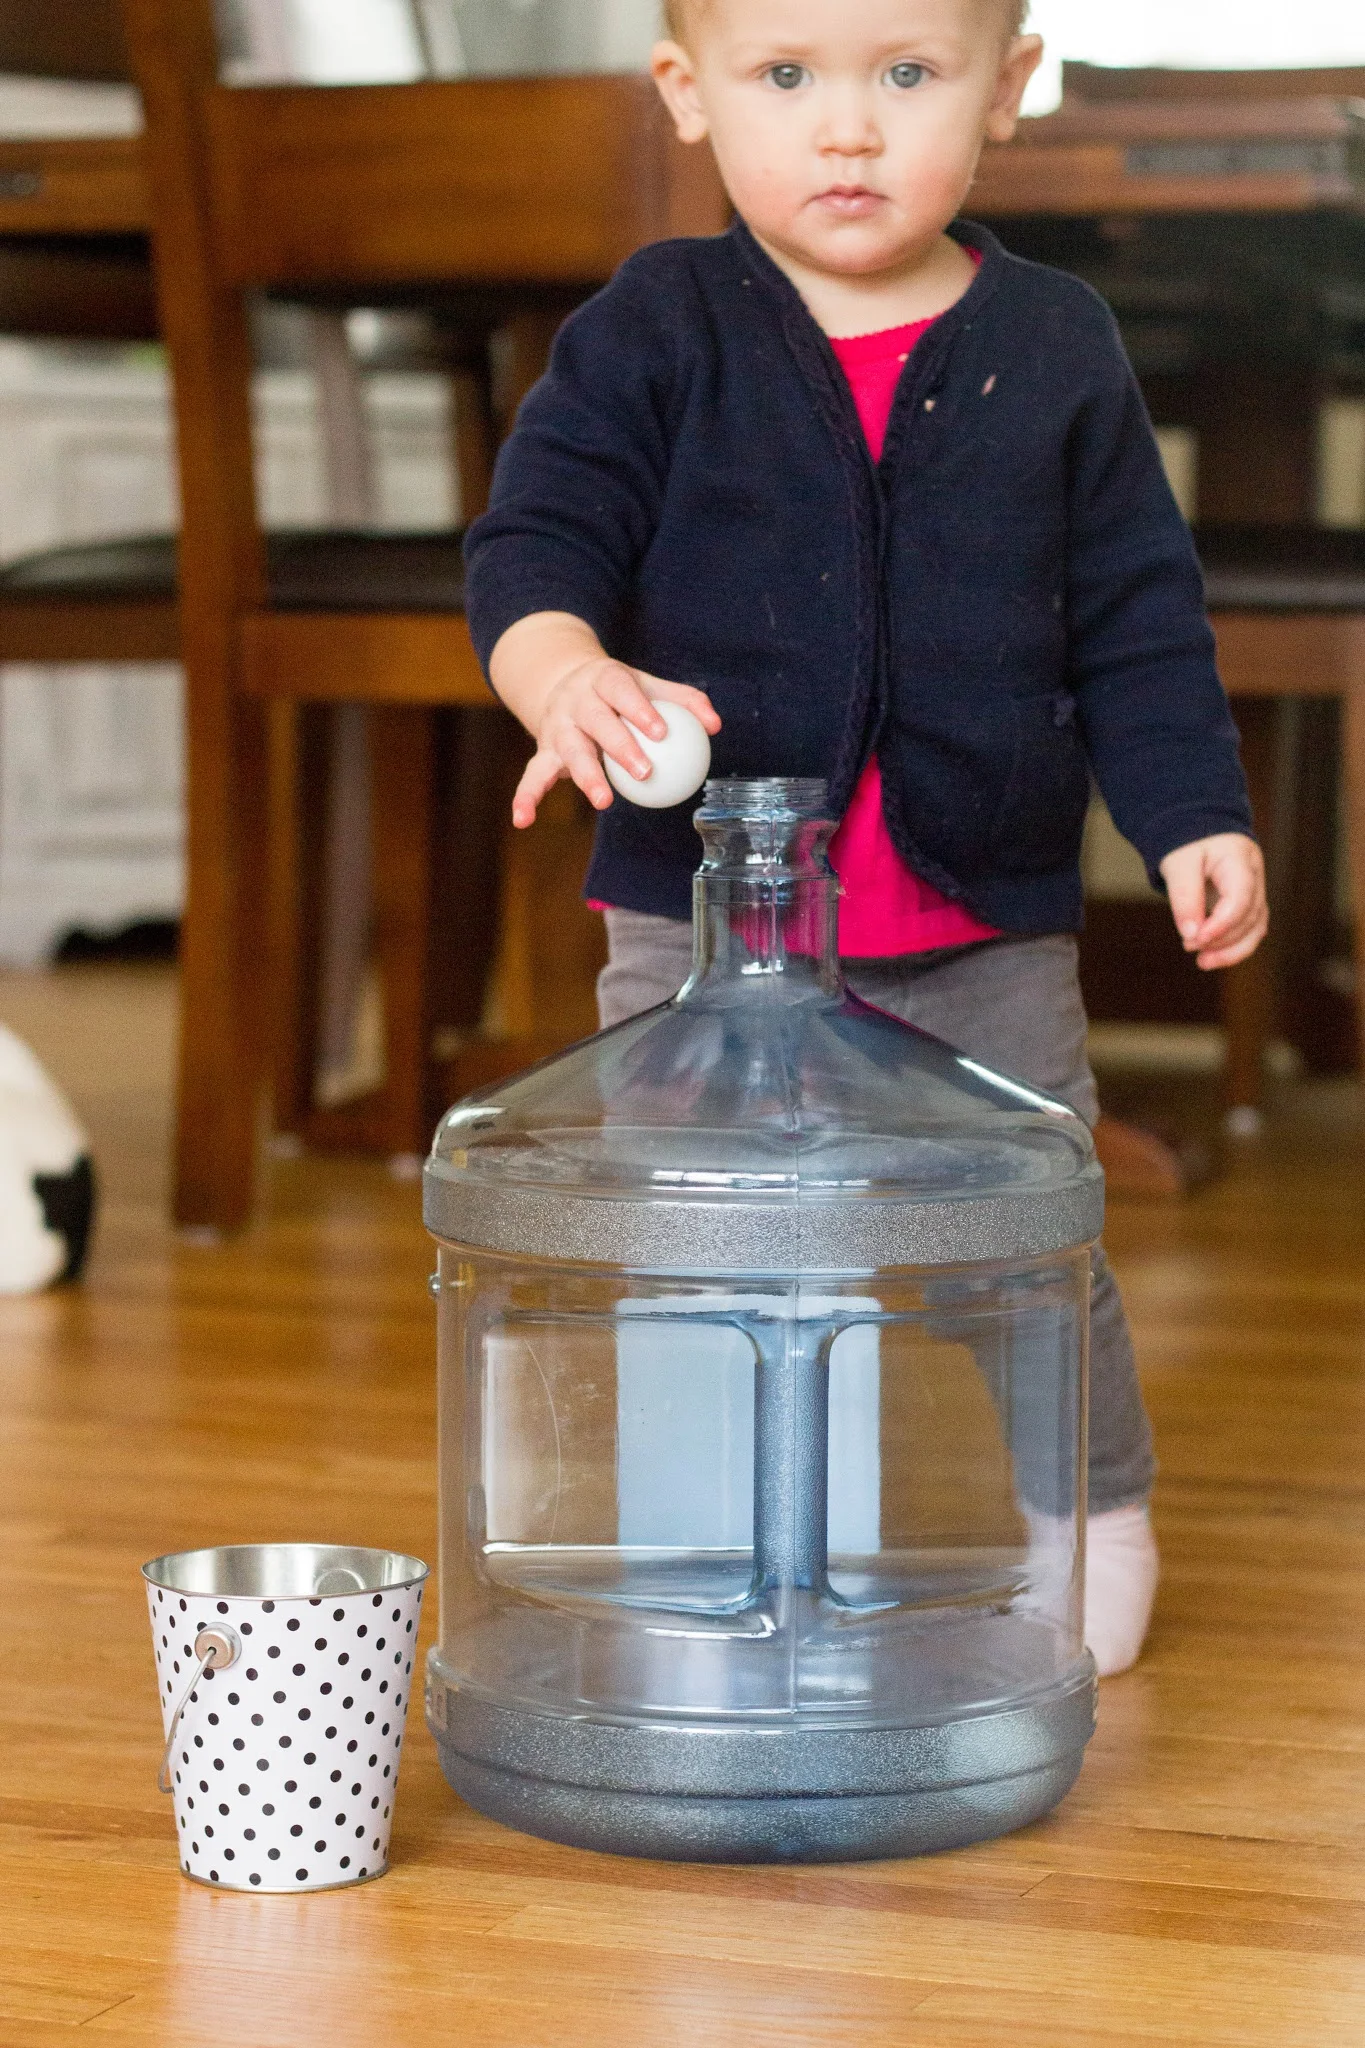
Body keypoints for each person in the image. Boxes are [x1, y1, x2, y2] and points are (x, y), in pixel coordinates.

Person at [461, 0, 1267, 1675]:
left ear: (1009, 88)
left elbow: (1137, 616)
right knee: (707, 1243)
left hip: (980, 922)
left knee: (1034, 1227)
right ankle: (732, 1539)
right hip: (705, 931)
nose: (849, 129)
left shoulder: (1055, 343)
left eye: (907, 76)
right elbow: (538, 537)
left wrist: (1193, 814)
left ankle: (1092, 1506)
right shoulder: (659, 325)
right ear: (688, 95)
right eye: (786, 78)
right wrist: (564, 671)